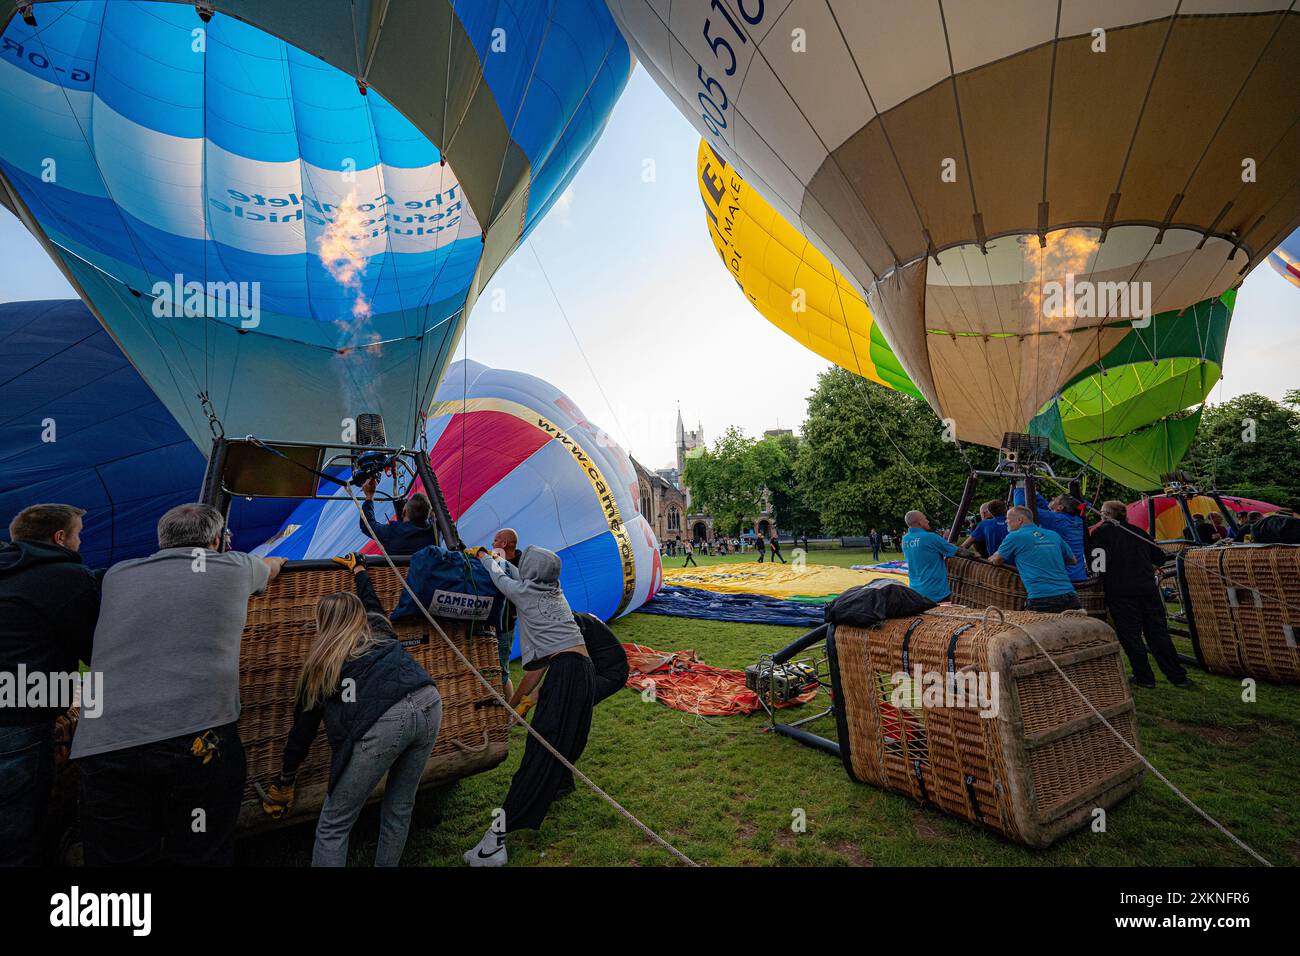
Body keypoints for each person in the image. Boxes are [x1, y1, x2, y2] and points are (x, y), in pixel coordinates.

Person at [71, 504, 285, 866]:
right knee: (200, 850)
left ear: (161, 540)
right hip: (198, 739)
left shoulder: (118, 574)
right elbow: (274, 564)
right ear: (217, 540)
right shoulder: (233, 567)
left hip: (104, 743)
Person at [261, 552, 442, 865]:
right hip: (428, 701)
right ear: (359, 617)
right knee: (399, 808)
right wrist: (360, 570)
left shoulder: (320, 665)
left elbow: (303, 732)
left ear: (322, 622)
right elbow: (371, 603)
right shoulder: (379, 630)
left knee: (334, 824)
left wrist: (285, 780)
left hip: (386, 721)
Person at [467, 546, 594, 866]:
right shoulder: (555, 590)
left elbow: (500, 579)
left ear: (532, 571)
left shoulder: (523, 593)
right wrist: (500, 561)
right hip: (583, 672)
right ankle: (558, 786)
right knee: (564, 740)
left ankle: (493, 843)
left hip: (565, 674)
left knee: (540, 752)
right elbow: (515, 576)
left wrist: (484, 556)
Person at [0, 504, 100, 866]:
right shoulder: (68, 577)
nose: (79, 543)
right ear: (60, 538)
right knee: (17, 828)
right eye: (78, 535)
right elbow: (91, 648)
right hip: (19, 716)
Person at [1090, 502, 1193, 689]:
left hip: (1120, 591)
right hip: (1147, 589)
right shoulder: (1137, 531)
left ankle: (1144, 677)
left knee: (1130, 635)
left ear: (1104, 514)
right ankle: (1178, 677)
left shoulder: (1100, 533)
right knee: (1158, 633)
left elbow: (1098, 565)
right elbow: (1160, 558)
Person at [990, 506, 1080, 612]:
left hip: (1042, 599)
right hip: (1070, 596)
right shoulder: (1053, 535)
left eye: (1008, 519)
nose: (1006, 522)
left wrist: (993, 556)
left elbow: (997, 560)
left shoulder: (1014, 536)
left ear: (1020, 520)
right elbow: (1073, 560)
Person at [1014, 491, 1087, 581]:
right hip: (1078, 575)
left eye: (1056, 498)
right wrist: (1034, 492)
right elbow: (1046, 507)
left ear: (1060, 507)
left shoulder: (1056, 520)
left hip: (1062, 577)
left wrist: (1019, 487)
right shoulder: (1077, 520)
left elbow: (1022, 510)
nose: (1052, 498)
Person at [901, 510, 970, 603]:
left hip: (915, 591)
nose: (928, 521)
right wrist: (976, 555)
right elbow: (958, 551)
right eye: (925, 518)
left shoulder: (905, 539)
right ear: (920, 522)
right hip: (935, 592)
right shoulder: (930, 537)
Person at [359, 479, 439, 554]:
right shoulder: (436, 531)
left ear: (404, 512)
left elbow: (367, 525)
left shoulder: (392, 532)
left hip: (397, 569)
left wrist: (369, 496)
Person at [492, 528, 521, 699]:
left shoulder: (520, 566)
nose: (492, 544)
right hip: (493, 625)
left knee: (502, 672)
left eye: (495, 541)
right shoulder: (497, 563)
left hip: (506, 626)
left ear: (503, 544)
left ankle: (508, 714)